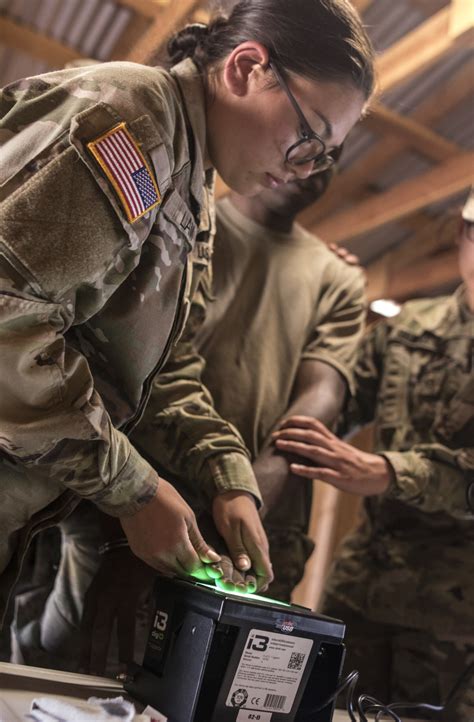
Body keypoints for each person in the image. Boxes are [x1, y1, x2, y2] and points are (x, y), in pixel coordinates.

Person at [0, 0, 375, 632]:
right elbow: (9, 326)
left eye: (324, 156)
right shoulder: (126, 123)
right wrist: (132, 489)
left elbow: (158, 366)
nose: (306, 169)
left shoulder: (188, 182)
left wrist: (225, 472)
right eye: (310, 138)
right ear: (246, 69)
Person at [10, 154, 366, 673]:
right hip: (122, 505)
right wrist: (131, 513)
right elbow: (134, 371)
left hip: (249, 522)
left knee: (219, 691)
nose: (317, 163)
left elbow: (320, 400)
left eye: (333, 152)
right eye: (307, 142)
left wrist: (240, 500)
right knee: (74, 674)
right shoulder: (184, 227)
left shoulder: (337, 276)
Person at [271, 189, 474, 720]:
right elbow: (333, 399)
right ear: (462, 235)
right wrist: (324, 289)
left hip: (455, 620)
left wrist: (389, 471)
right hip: (362, 590)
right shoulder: (409, 328)